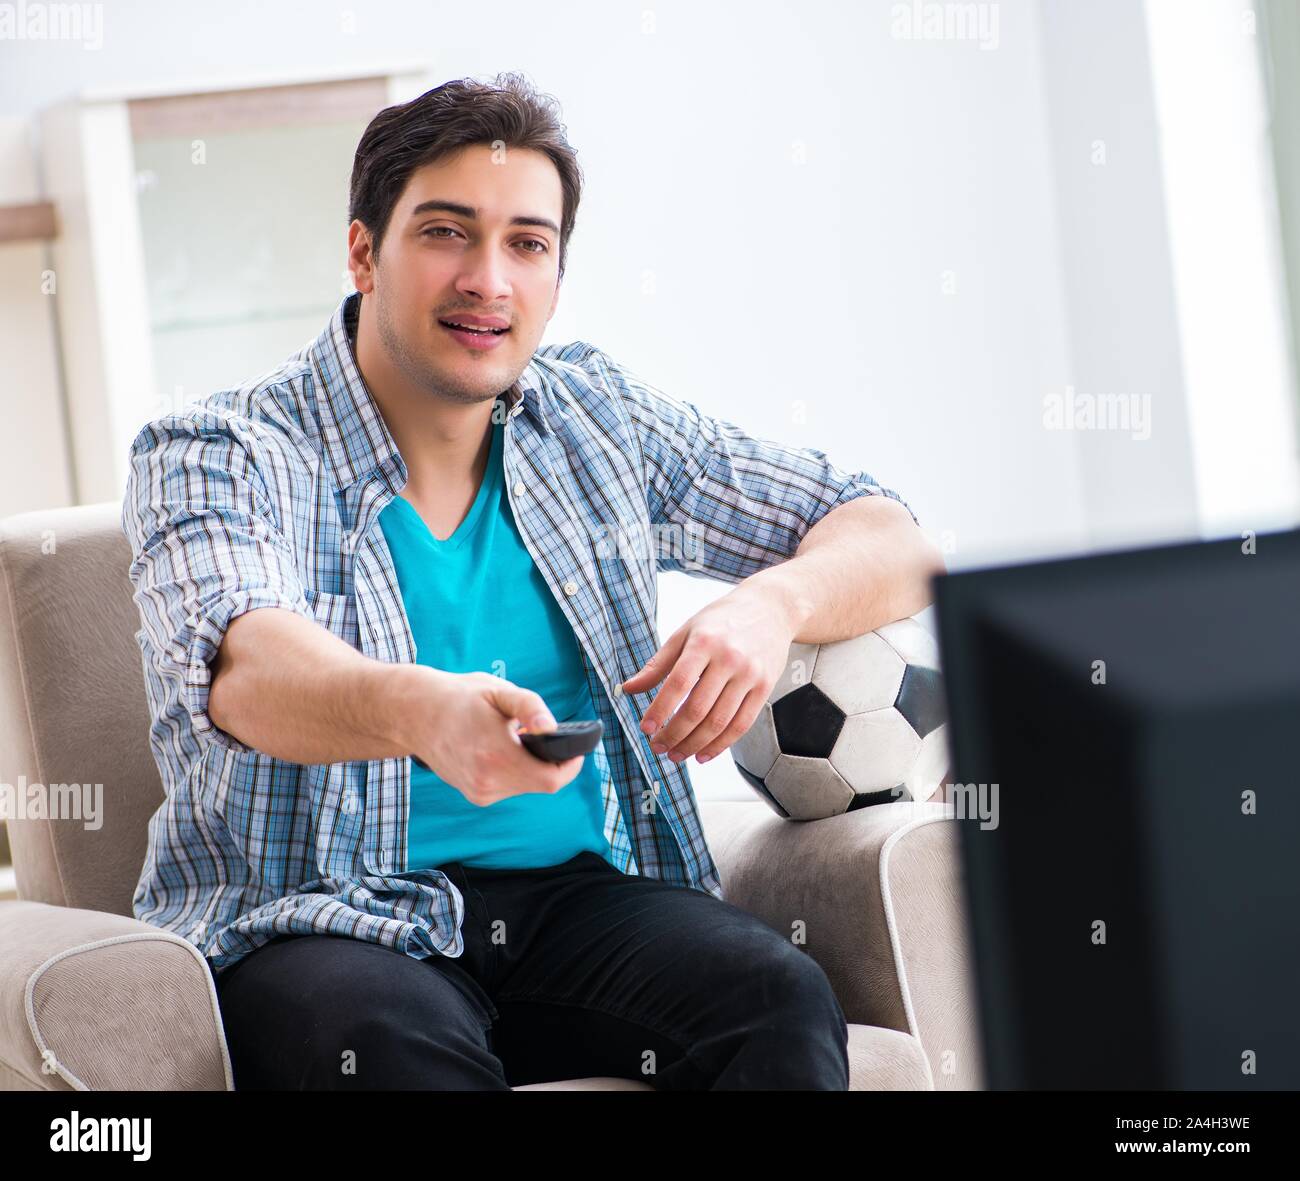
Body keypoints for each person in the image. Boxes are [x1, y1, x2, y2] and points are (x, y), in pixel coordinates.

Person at [121, 71, 945, 1091]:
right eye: (445, 232)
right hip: (325, 917)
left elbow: (896, 539)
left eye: (527, 243)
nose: (488, 280)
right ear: (362, 250)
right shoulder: (215, 449)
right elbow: (245, 671)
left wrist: (771, 603)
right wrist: (422, 710)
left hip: (575, 903)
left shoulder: (593, 417)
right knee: (385, 1042)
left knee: (773, 995)